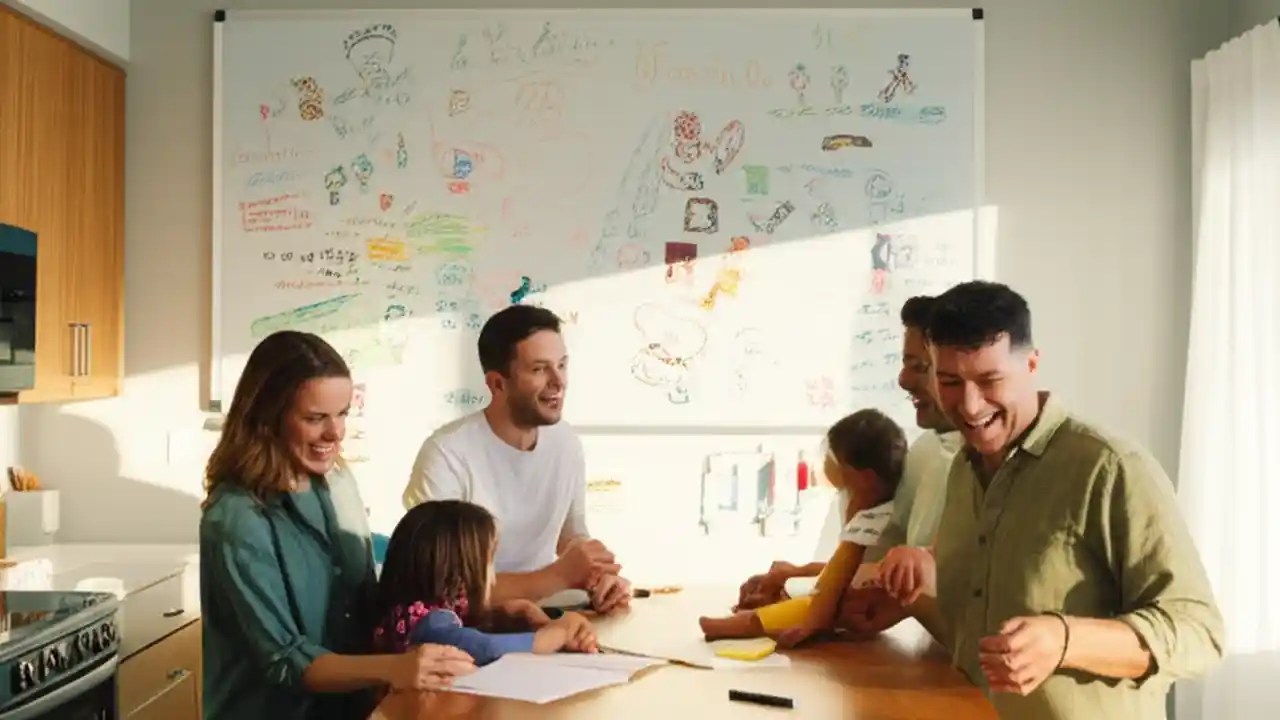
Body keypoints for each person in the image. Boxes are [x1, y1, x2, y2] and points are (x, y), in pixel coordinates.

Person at [878, 281, 1225, 720]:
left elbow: (1200, 632)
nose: (969, 406)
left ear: (1032, 364)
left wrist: (1064, 640)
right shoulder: (963, 469)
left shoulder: (1110, 467)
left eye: (989, 381)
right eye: (949, 382)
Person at [201, 331, 475, 720]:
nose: (335, 433)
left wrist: (482, 613)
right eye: (315, 418)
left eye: (343, 413)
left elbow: (366, 601)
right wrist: (396, 667)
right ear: (268, 419)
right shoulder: (236, 519)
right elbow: (286, 659)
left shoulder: (337, 480)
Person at [735, 295, 960, 638]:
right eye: (905, 363)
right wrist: (795, 576)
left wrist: (800, 586)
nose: (902, 379)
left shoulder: (990, 467)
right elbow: (868, 573)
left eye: (920, 367)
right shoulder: (927, 450)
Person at [403, 304, 631, 613]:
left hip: (547, 616)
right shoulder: (447, 454)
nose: (558, 381)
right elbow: (445, 589)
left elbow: (571, 537)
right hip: (471, 629)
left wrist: (599, 576)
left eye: (561, 365)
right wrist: (559, 576)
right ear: (498, 384)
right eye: (539, 369)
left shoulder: (565, 442)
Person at [699, 409, 906, 643]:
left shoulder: (872, 517)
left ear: (864, 478)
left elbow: (841, 572)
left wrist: (814, 620)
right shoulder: (867, 506)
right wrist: (794, 572)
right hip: (843, 589)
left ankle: (740, 625)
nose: (825, 461)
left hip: (851, 601)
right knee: (798, 595)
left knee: (804, 606)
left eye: (832, 457)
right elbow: (844, 568)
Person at [372, 499, 598, 667]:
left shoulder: (430, 609)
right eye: (490, 561)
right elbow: (484, 649)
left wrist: (508, 613)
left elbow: (466, 628)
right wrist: (553, 636)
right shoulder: (428, 622)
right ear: (458, 574)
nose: (494, 574)